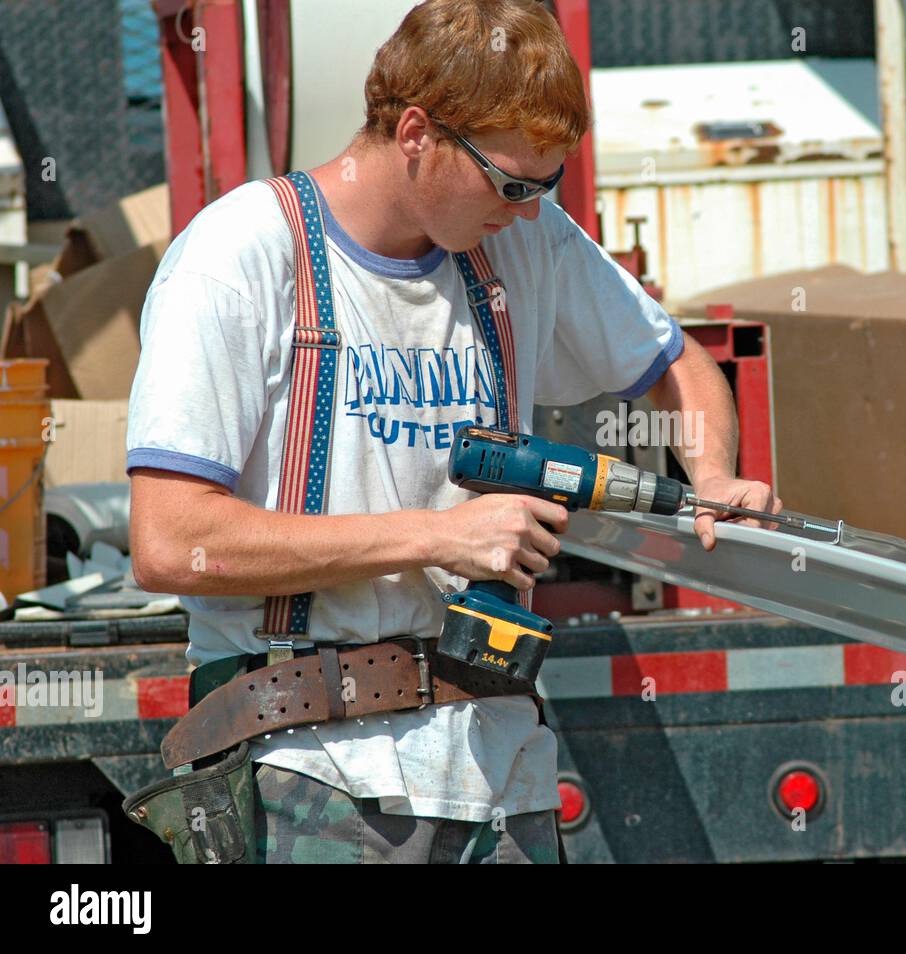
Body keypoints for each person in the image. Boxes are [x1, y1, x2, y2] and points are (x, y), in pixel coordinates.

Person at [126, 0, 780, 864]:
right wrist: (440, 536)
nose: (530, 208)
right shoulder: (240, 257)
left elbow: (679, 363)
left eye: (546, 184)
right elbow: (171, 543)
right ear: (415, 133)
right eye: (512, 182)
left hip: (499, 772)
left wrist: (714, 470)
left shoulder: (524, 242)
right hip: (310, 771)